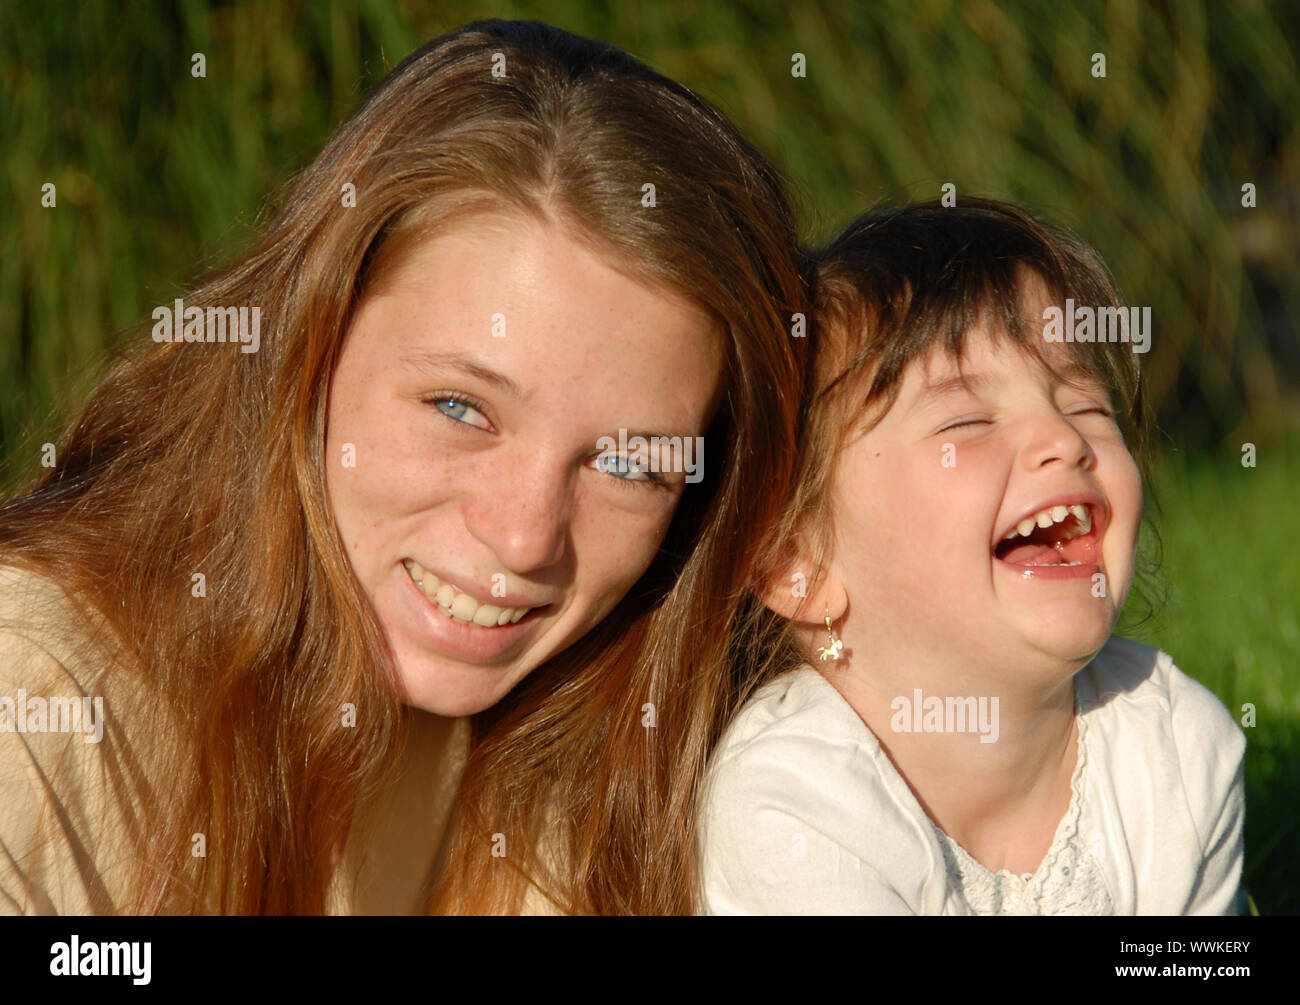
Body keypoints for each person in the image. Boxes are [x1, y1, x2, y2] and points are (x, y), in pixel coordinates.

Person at [0, 19, 807, 914]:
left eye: (630, 463)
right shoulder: (31, 698)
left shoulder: (608, 724)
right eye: (459, 409)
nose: (522, 535)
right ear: (312, 343)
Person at [699, 198, 1246, 915]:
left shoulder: (1176, 748)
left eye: (1086, 405)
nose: (1062, 436)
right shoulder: (790, 798)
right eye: (967, 421)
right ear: (796, 565)